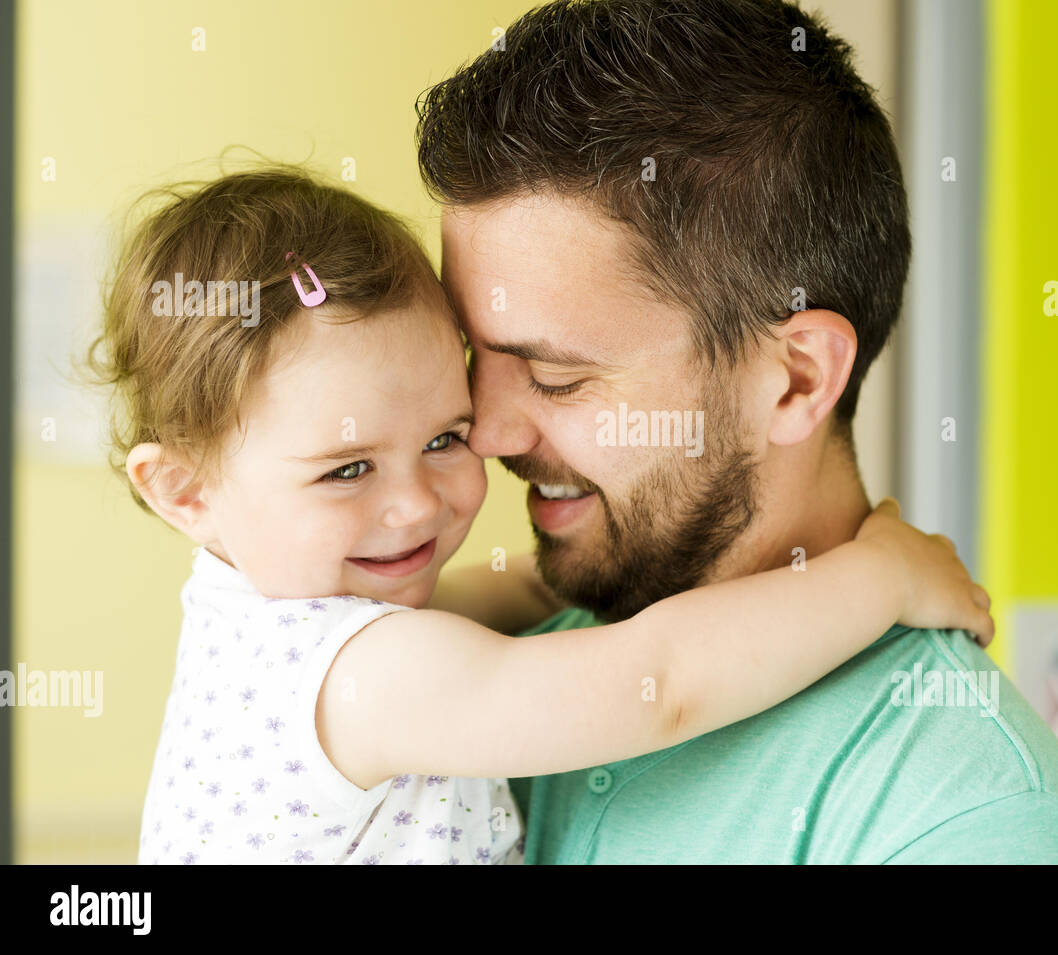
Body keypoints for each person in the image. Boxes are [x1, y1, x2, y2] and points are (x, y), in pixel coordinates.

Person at [82, 166, 991, 864]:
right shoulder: (360, 680)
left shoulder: (273, 622)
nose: (414, 504)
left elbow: (505, 596)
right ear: (185, 492)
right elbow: (661, 682)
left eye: (444, 436)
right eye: (347, 468)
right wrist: (882, 576)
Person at [418, 0, 1058, 862]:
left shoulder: (970, 815)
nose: (483, 432)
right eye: (469, 357)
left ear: (796, 378)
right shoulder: (489, 676)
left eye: (557, 376)